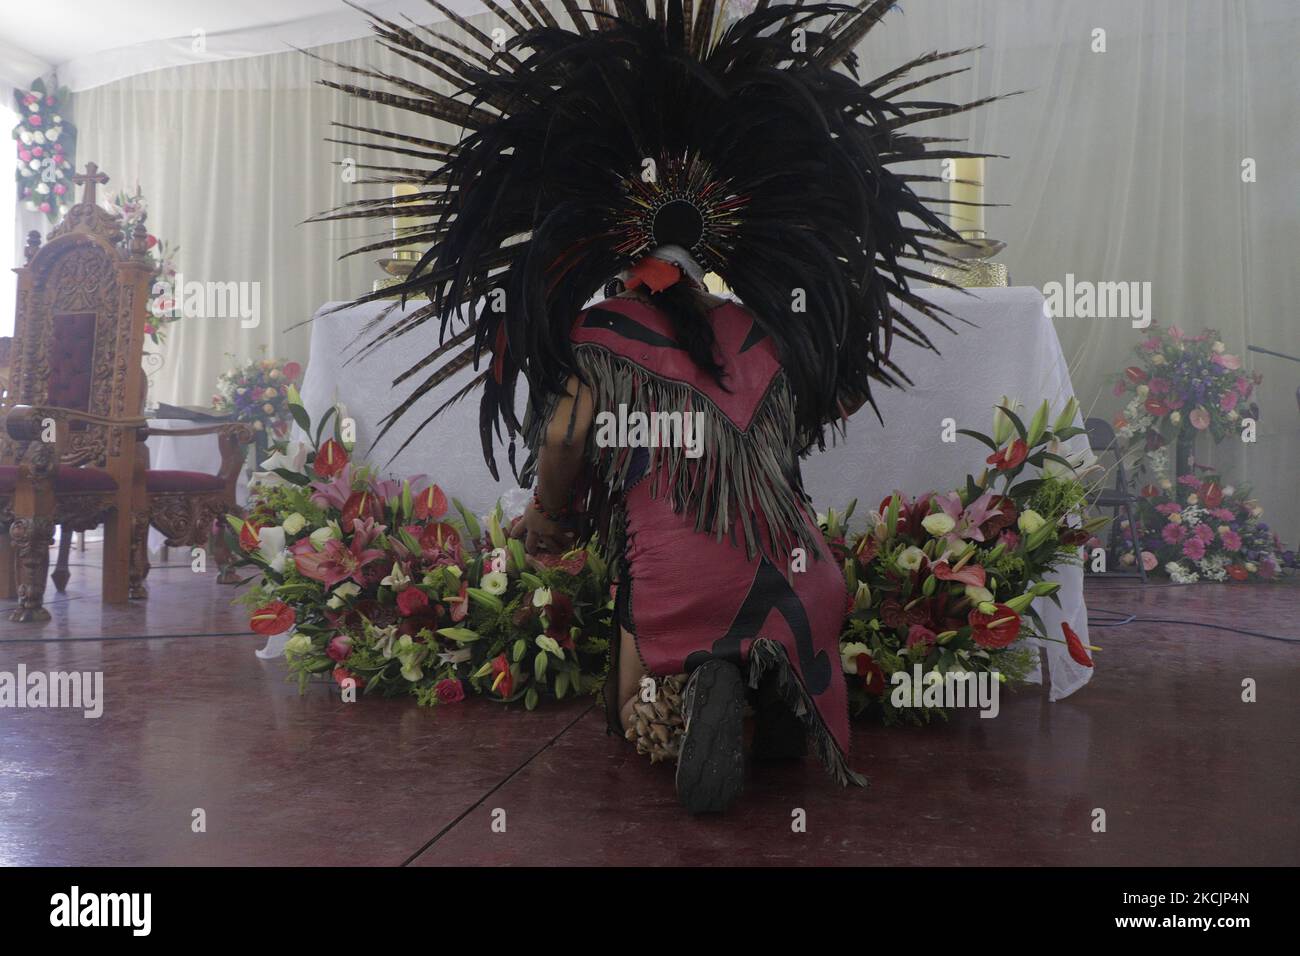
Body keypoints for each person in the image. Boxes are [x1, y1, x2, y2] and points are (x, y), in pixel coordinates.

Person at [319, 0, 994, 812]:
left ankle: (683, 698)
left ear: (622, 251)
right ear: (714, 254)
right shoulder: (762, 332)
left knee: (634, 680)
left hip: (678, 584)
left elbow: (565, 437)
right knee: (790, 588)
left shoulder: (601, 332)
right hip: (804, 580)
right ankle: (766, 682)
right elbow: (839, 394)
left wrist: (546, 514)